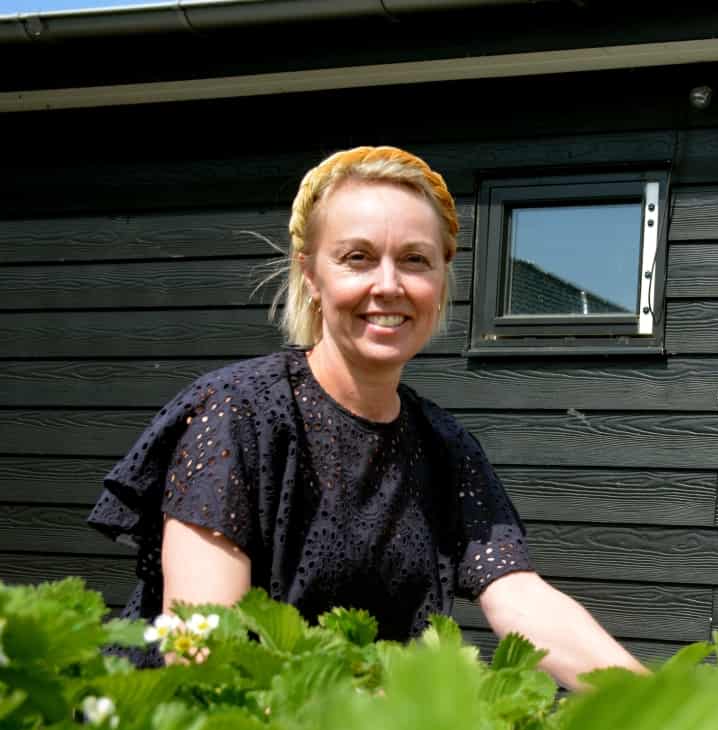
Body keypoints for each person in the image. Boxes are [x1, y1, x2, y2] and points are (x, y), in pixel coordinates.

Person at [89, 145, 647, 689]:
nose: (388, 285)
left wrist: (655, 702)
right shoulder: (237, 411)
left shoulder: (444, 446)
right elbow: (204, 651)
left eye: (414, 260)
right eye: (357, 257)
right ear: (311, 275)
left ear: (441, 279)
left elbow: (520, 595)